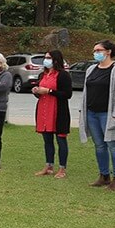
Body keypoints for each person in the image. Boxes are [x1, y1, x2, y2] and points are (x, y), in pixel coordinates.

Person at [78, 39, 115, 191]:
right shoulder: (91, 69)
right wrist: (83, 110)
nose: (96, 53)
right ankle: (104, 175)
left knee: (114, 145)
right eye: (94, 51)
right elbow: (86, 92)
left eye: (99, 50)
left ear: (108, 52)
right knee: (99, 146)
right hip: (92, 113)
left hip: (108, 114)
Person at [31, 50, 72, 178]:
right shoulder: (43, 75)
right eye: (45, 57)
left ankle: (62, 168)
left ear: (55, 60)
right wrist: (37, 91)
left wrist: (49, 91)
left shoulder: (63, 75)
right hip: (44, 111)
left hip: (58, 112)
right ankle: (49, 166)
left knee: (61, 140)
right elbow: (41, 93)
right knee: (47, 140)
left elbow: (67, 94)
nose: (46, 60)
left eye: (48, 58)